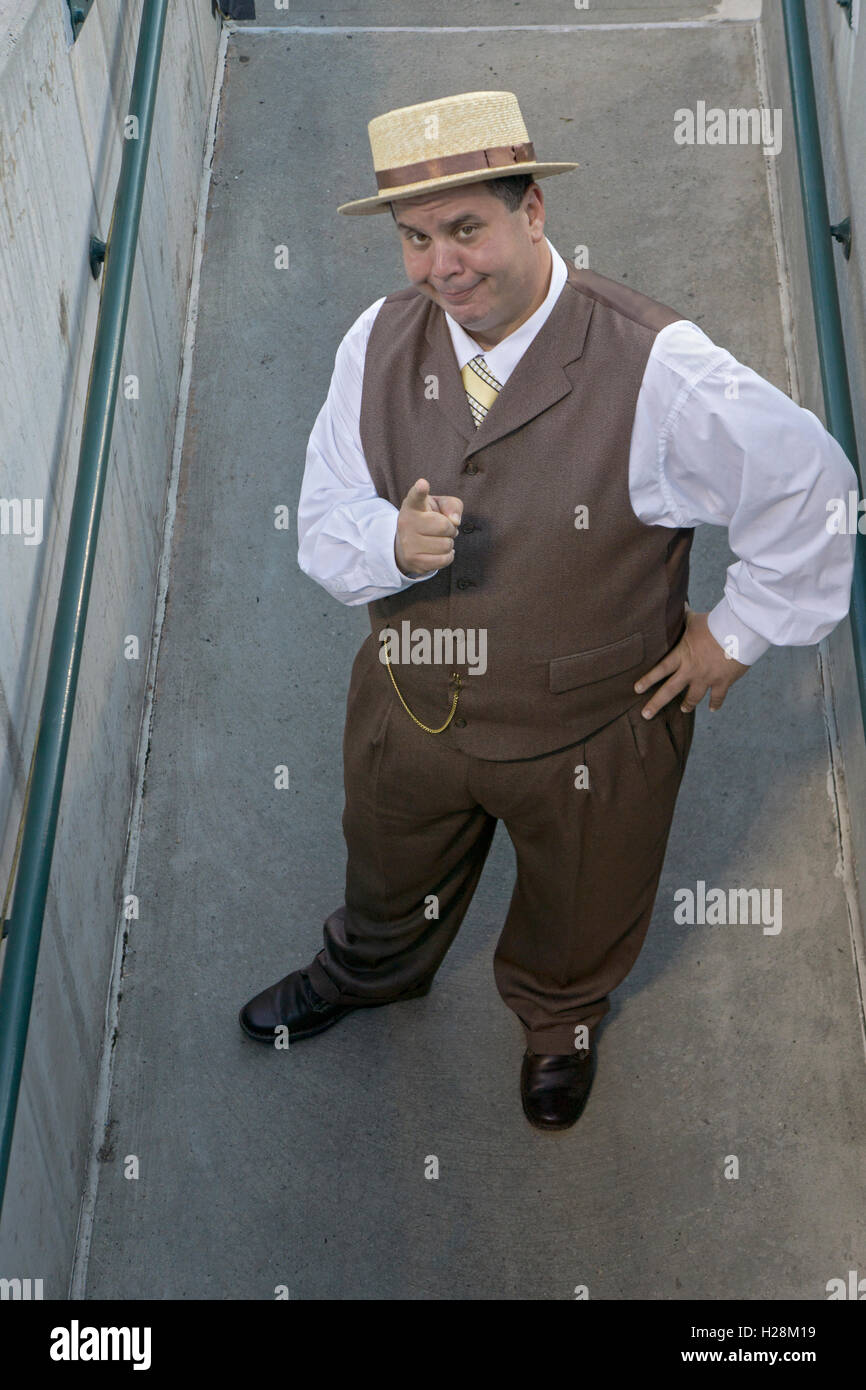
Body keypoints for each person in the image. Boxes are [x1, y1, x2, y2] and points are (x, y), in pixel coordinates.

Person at [239, 91, 857, 1131]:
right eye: (416, 238)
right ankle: (368, 970)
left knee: (580, 909)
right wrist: (387, 541)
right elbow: (322, 519)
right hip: (411, 708)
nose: (443, 267)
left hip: (593, 730)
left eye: (467, 228)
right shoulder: (375, 340)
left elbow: (812, 485)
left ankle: (556, 1023)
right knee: (386, 872)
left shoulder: (656, 363)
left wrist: (737, 631)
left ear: (532, 212)